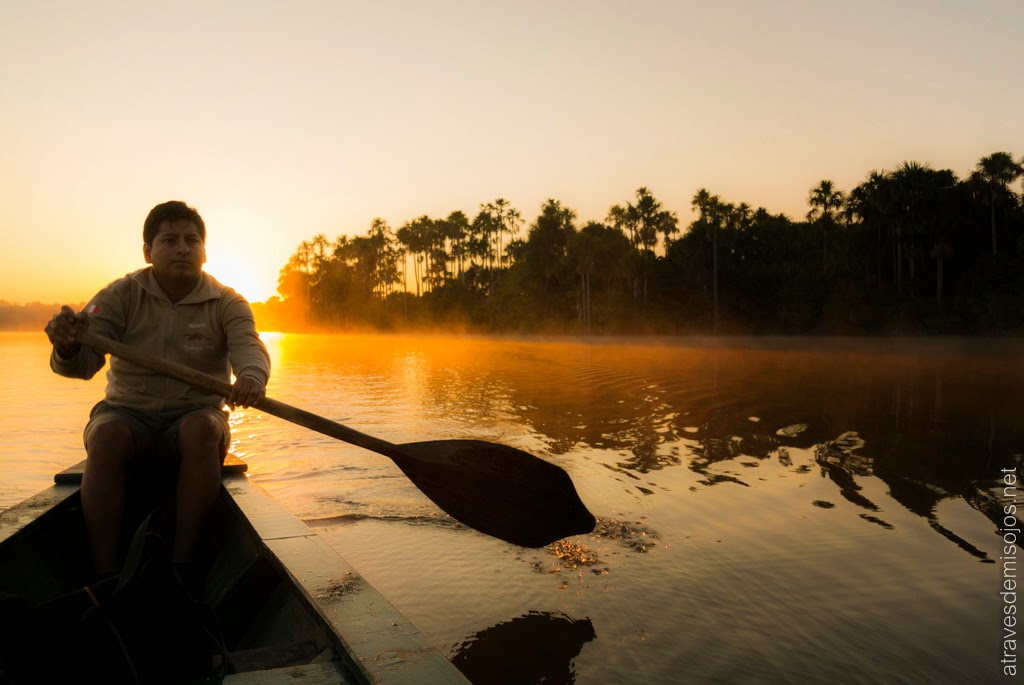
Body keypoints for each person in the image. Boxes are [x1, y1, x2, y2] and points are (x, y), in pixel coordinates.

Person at [44, 200, 271, 585]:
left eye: (191, 240)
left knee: (202, 428)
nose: (182, 248)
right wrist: (66, 346)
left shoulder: (227, 302)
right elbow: (82, 364)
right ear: (148, 251)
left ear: (204, 250)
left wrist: (251, 377)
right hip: (128, 415)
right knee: (106, 434)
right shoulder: (121, 295)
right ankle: (105, 574)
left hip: (193, 416)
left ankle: (182, 569)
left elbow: (249, 347)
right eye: (169, 240)